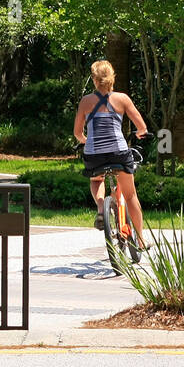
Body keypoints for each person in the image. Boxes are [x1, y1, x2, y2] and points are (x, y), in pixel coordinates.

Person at [73, 59, 150, 247]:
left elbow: (77, 133)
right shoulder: (122, 99)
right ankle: (140, 240)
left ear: (94, 79)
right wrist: (140, 133)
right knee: (131, 195)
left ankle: (101, 208)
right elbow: (142, 127)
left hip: (94, 155)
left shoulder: (86, 101)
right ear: (112, 78)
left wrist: (86, 141)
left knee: (96, 179)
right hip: (119, 153)